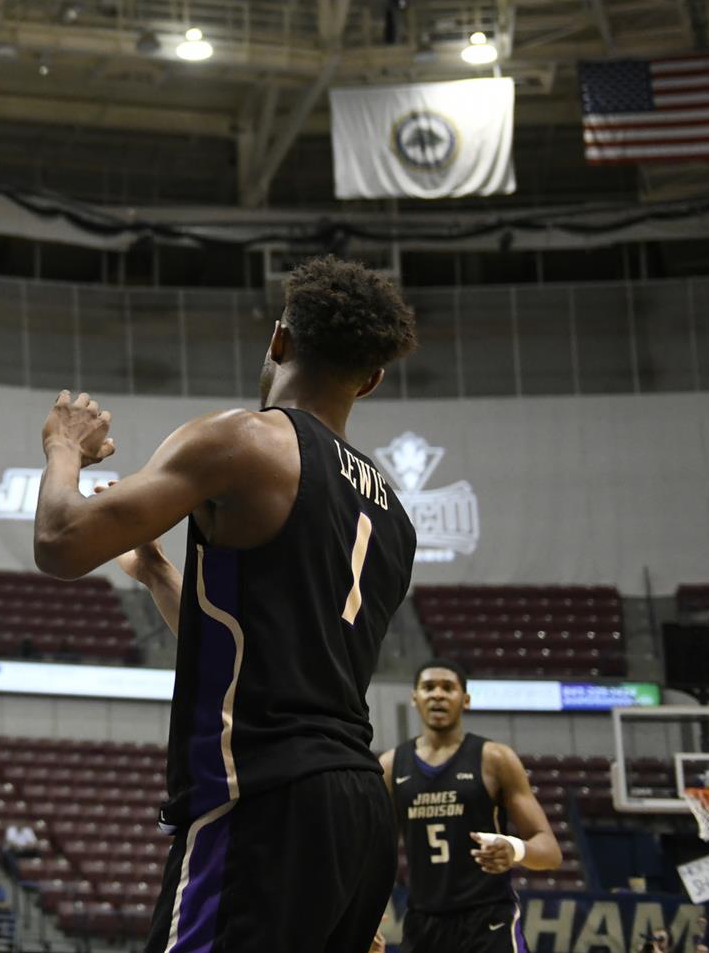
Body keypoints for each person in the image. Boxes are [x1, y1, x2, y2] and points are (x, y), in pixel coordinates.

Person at [31, 256, 421, 953]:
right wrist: (159, 575)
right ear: (370, 379)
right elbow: (275, 661)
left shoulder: (244, 441)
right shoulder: (395, 516)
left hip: (264, 800)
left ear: (279, 340)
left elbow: (60, 542)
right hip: (360, 815)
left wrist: (63, 447)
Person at [382, 658, 561, 952]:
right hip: (423, 922)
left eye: (447, 688)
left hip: (488, 919)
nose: (438, 695)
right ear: (415, 698)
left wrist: (514, 849)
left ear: (465, 699)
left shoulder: (495, 759)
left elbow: (551, 851)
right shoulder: (391, 766)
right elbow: (375, 853)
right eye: (429, 687)